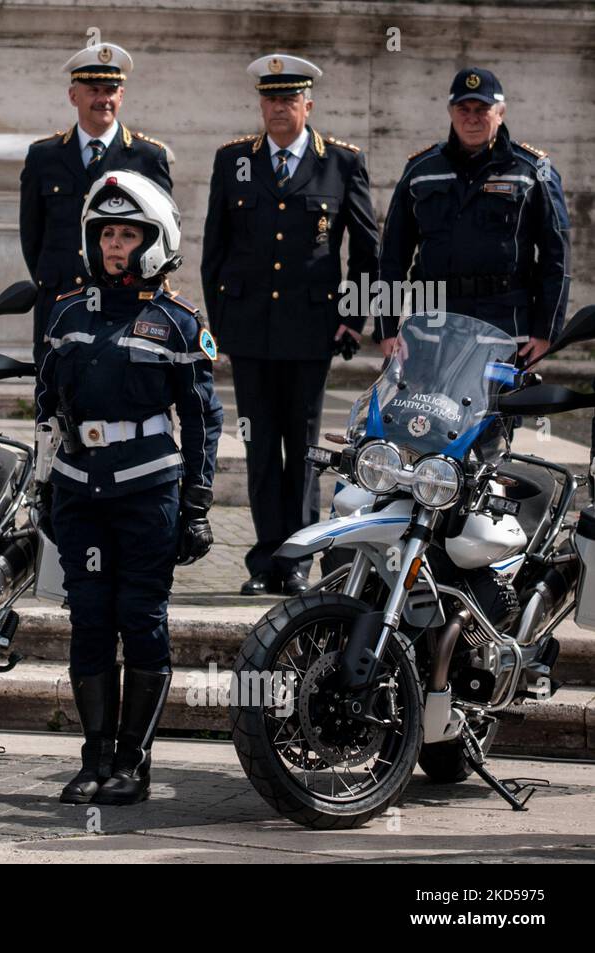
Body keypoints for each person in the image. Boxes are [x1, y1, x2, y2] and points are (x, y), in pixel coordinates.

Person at [34, 170, 222, 805]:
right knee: (88, 622)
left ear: (155, 239)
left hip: (148, 492)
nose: (115, 245)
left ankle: (133, 765)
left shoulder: (177, 323)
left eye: (128, 234)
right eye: (106, 233)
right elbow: (45, 410)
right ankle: (94, 759)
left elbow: (203, 419)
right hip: (77, 491)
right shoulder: (63, 314)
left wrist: (197, 505)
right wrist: (42, 489)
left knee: (141, 621)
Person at [199, 54, 379, 596]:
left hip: (311, 331)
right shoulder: (234, 161)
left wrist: (353, 320)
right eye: (270, 99)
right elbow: (216, 251)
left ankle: (298, 560)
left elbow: (368, 254)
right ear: (261, 104)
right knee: (258, 447)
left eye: (289, 98)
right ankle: (263, 561)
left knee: (302, 450)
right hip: (251, 332)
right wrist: (221, 327)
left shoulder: (342, 163)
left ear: (308, 104)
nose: (278, 108)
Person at [377, 67, 570, 362]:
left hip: (505, 327)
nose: (472, 118)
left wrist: (546, 331)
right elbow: (392, 257)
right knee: (423, 409)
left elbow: (557, 257)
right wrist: (387, 328)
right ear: (450, 112)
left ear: (500, 112)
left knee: (498, 409)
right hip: (431, 326)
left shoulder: (533, 170)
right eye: (463, 108)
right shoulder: (421, 171)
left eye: (482, 109)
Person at [20, 42, 172, 369]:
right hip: (60, 299)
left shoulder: (148, 157)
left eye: (111, 90)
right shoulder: (44, 156)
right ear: (74, 96)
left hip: (125, 304)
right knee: (55, 403)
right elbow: (32, 236)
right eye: (93, 90)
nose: (103, 98)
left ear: (122, 96)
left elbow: (164, 234)